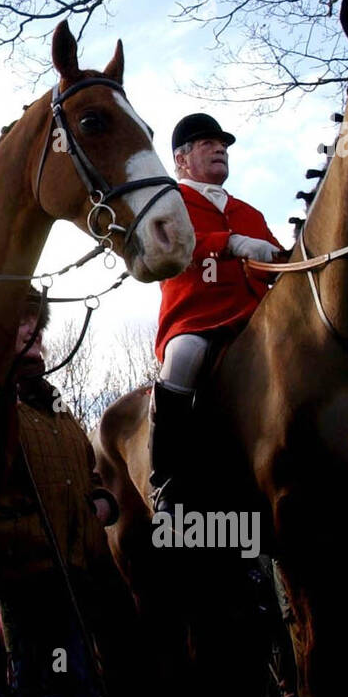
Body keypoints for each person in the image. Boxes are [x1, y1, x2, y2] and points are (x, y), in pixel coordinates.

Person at [0, 289, 121, 697]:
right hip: (29, 579)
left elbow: (88, 471)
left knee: (85, 686)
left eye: (37, 324)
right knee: (48, 690)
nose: (34, 333)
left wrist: (100, 502)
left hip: (80, 574)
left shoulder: (57, 407)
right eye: (23, 322)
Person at [149, 114, 286, 511]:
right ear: (181, 158)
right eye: (207, 143)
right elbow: (169, 246)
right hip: (199, 319)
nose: (220, 148)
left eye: (222, 143)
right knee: (183, 357)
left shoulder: (249, 212)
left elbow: (276, 258)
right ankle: (167, 480)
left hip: (259, 320)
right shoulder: (168, 201)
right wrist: (230, 244)